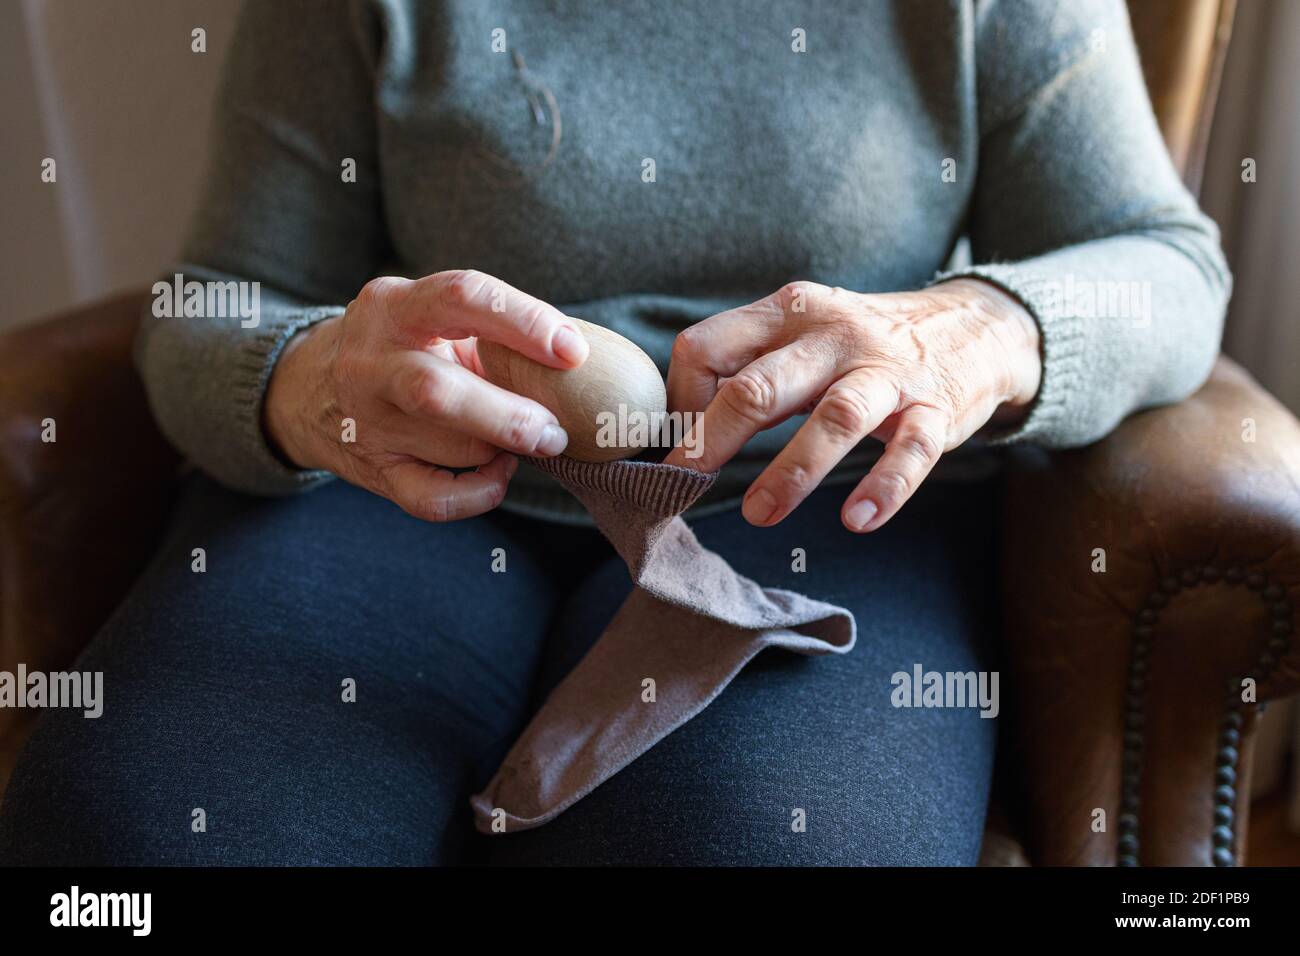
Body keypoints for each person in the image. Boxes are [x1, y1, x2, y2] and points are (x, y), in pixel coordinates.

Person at [0, 0, 1229, 865]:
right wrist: (307, 374)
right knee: (138, 843)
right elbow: (217, 293)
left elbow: (1166, 262)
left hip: (800, 506)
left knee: (759, 849)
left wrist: (979, 325)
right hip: (402, 488)